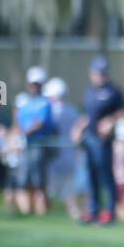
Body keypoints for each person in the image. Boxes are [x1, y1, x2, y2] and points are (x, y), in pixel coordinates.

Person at [72, 56, 124, 225]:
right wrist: (78, 127)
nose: (100, 76)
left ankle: (110, 212)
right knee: (91, 176)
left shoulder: (114, 91)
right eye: (97, 72)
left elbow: (123, 111)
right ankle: (93, 211)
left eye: (103, 73)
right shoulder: (89, 92)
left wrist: (110, 121)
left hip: (104, 141)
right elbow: (87, 115)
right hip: (88, 138)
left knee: (106, 176)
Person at [14, 66, 56, 215]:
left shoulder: (45, 103)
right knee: (25, 179)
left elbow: (40, 123)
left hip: (39, 144)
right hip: (26, 145)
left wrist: (25, 133)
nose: (34, 87)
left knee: (39, 179)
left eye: (37, 84)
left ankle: (41, 210)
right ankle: (28, 210)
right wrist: (19, 137)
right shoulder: (24, 102)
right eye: (32, 84)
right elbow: (18, 121)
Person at [43, 78, 83, 220]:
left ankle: (46, 216)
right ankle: (75, 216)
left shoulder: (52, 110)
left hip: (54, 157)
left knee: (48, 191)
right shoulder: (72, 110)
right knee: (68, 193)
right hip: (69, 156)